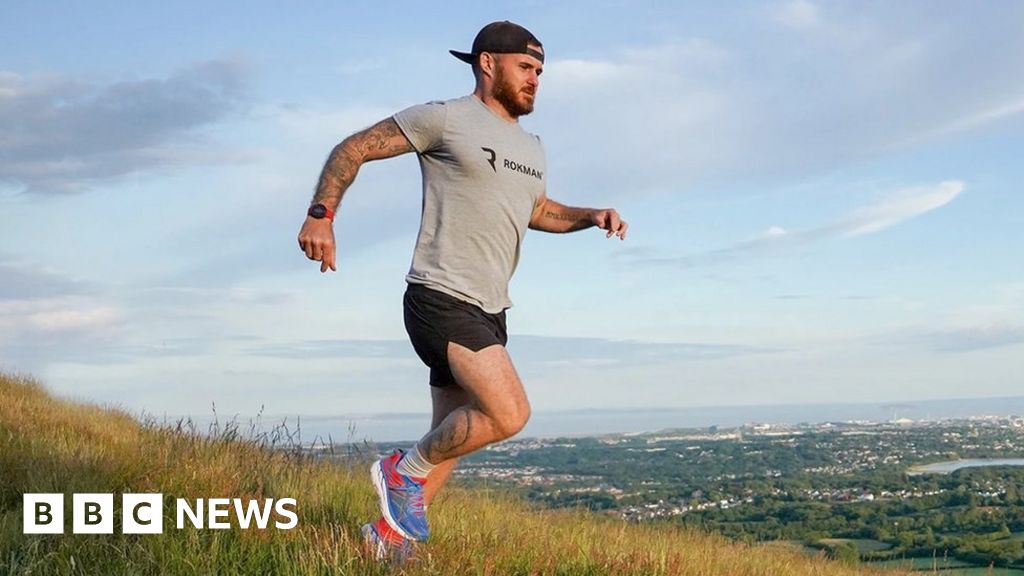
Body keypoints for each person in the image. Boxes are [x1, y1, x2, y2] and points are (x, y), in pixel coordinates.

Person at [297, 21, 628, 562]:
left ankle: (381, 545)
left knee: (451, 435)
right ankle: (398, 469)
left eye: (541, 71)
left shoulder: (532, 147)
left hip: (491, 306)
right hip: (441, 296)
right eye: (526, 67)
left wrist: (588, 215)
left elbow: (538, 210)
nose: (536, 80)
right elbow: (352, 148)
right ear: (488, 63)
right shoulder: (445, 118)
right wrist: (321, 215)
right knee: (509, 414)